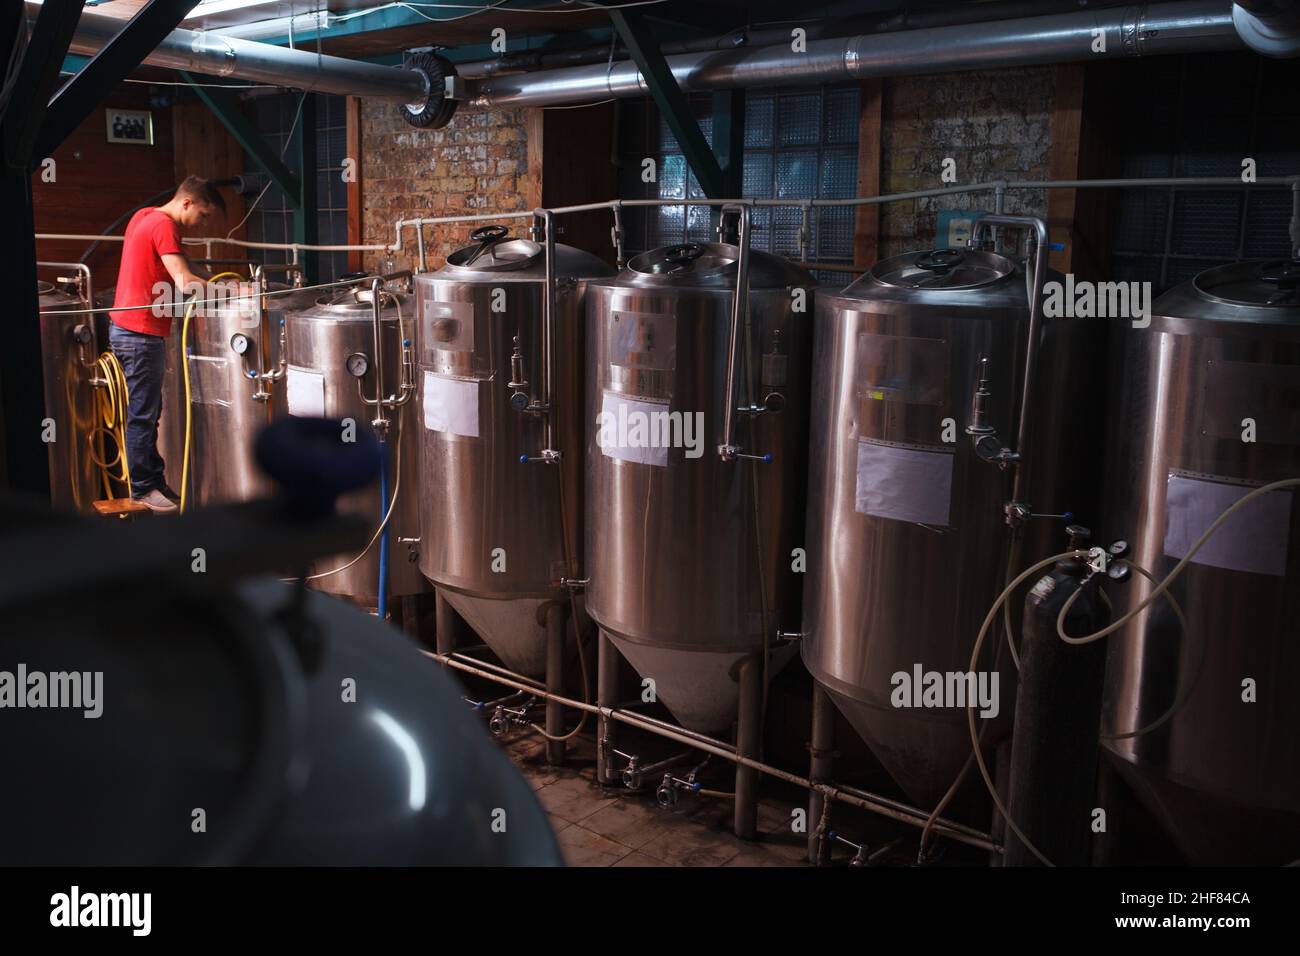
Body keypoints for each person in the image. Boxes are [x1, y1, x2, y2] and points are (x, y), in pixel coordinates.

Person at [109, 176, 225, 513]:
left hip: (129, 330)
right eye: (203, 215)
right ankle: (144, 488)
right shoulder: (164, 225)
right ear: (186, 202)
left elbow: (181, 265)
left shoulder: (144, 215)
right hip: (140, 334)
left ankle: (155, 481)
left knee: (150, 412)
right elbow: (185, 281)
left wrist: (223, 278)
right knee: (143, 415)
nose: (202, 224)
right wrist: (231, 293)